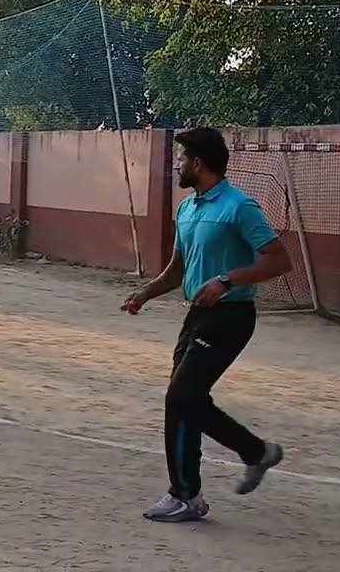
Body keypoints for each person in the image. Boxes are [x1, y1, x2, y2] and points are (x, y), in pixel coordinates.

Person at [122, 127, 291, 523]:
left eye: (181, 158)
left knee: (182, 397)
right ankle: (188, 496)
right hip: (196, 315)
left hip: (231, 317)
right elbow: (177, 270)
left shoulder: (238, 207)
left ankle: (253, 454)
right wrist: (145, 293)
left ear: (198, 162)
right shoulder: (188, 208)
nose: (176, 165)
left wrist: (227, 280)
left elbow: (279, 260)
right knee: (184, 400)